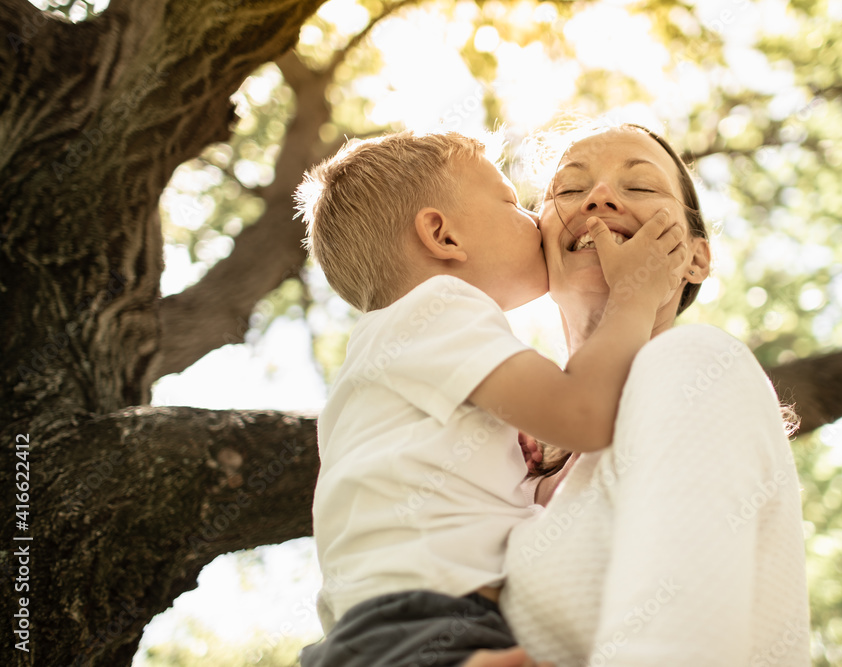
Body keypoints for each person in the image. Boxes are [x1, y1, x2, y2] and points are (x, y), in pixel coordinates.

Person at [293, 130, 692, 667]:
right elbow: (583, 414)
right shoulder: (435, 308)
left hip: (387, 632)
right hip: (415, 628)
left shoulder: (408, 349)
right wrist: (633, 297)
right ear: (442, 235)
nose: (532, 220)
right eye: (511, 204)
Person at [496, 122, 811, 666]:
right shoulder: (506, 460)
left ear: (695, 258)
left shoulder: (697, 366)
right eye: (569, 190)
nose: (598, 198)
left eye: (640, 187)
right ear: (539, 241)